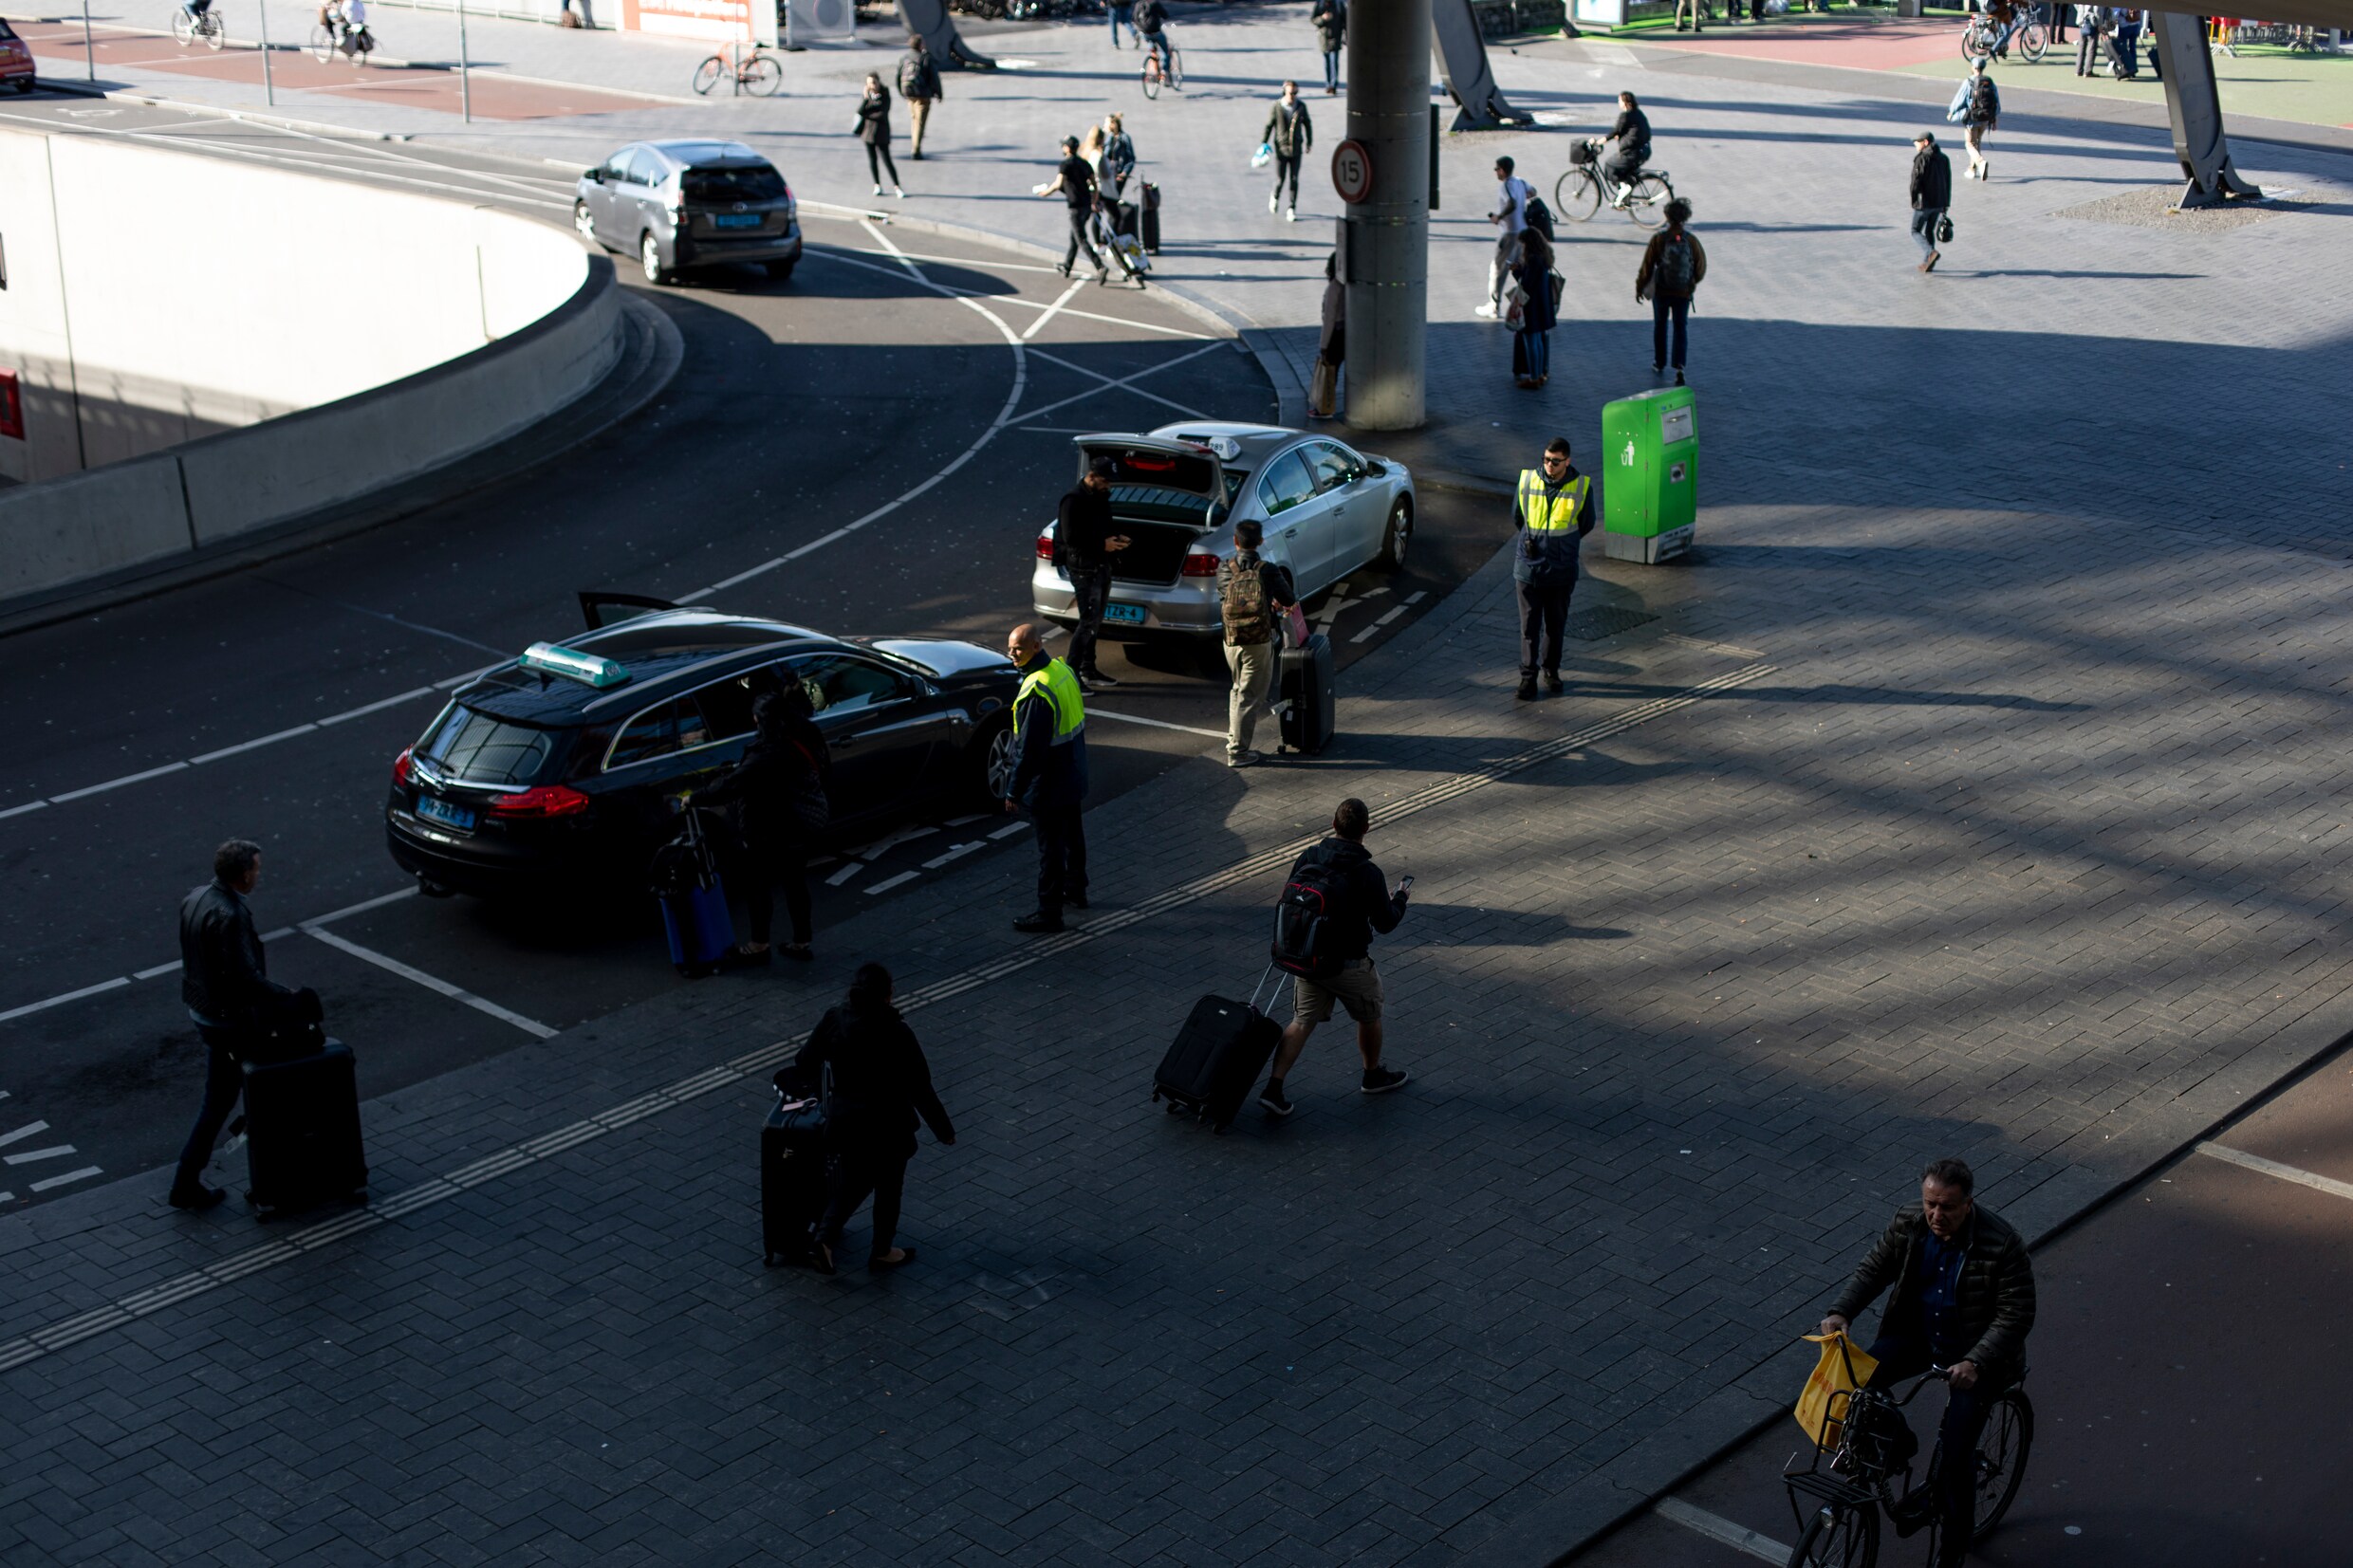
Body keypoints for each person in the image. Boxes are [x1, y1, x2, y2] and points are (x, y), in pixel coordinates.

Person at [1819, 1159, 2035, 1568]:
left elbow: (2016, 1314)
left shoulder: (2002, 1243)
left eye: (1948, 1207)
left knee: (1957, 1458)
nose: (1937, 1215)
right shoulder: (1909, 1222)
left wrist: (1975, 1361)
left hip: (1977, 1357)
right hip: (1919, 1337)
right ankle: (1899, 1448)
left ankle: (1952, 1551)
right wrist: (1842, 1311)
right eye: (1930, 1203)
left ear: (1968, 1204)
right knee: (1859, 1388)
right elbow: (1875, 1268)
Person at [791, 964, 954, 1275]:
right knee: (889, 1186)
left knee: (855, 1179)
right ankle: (881, 1250)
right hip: (888, 1126)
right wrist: (943, 1129)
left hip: (845, 1123)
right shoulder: (897, 1032)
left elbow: (804, 1061)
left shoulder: (835, 1019)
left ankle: (824, 1240)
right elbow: (919, 1086)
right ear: (888, 995)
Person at [1258, 798, 1410, 1116]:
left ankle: (1274, 1087)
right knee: (1370, 1015)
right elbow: (1385, 923)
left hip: (1309, 959)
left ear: (1333, 825)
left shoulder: (1310, 855)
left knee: (1301, 1021)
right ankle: (1372, 1075)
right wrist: (1401, 899)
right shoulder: (1367, 872)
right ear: (1366, 830)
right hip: (1349, 964)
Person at [171, 839, 300, 1210]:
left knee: (224, 1098)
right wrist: (286, 995)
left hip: (202, 1012)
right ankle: (271, 1178)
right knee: (263, 1091)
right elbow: (245, 976)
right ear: (244, 875)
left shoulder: (195, 897)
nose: (260, 874)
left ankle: (189, 1181)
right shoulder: (232, 914)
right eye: (257, 868)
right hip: (229, 1021)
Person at [689, 688, 827, 966]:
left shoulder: (771, 751)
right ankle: (802, 941)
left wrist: (694, 798)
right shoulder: (803, 734)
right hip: (800, 824)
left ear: (760, 720)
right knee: (795, 884)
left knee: (757, 886)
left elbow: (735, 783)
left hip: (771, 828)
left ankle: (758, 945)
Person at [1003, 623, 1089, 933]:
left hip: (1049, 783)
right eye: (1011, 647)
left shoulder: (1037, 690)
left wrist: (1013, 790)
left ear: (1037, 646)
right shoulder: (1062, 671)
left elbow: (1029, 751)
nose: (1012, 654)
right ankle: (1076, 890)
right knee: (1073, 838)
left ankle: (1049, 912)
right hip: (1072, 771)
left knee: (1049, 850)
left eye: (1018, 649)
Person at [1510, 436, 1594, 701]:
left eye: (1555, 461)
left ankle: (1551, 670)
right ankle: (1527, 678)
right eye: (1545, 459)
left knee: (1555, 625)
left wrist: (1561, 544)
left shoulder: (1581, 486)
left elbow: (1586, 523)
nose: (1549, 465)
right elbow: (1517, 516)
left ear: (1567, 461)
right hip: (1528, 568)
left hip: (1560, 569)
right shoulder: (1527, 480)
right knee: (1529, 627)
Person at [1215, 520, 1297, 768]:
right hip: (1257, 642)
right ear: (1261, 541)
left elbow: (1224, 596)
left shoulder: (1224, 568)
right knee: (1250, 695)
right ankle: (1238, 752)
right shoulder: (1269, 570)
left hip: (1230, 640)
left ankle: (1234, 739)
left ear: (1235, 541)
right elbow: (1288, 598)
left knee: (1238, 690)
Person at [1056, 456, 1129, 688]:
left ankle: (1089, 669)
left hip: (1100, 565)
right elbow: (1071, 538)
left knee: (1095, 622)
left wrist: (1116, 538)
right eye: (1106, 480)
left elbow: (1103, 525)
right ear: (1092, 476)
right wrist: (1102, 544)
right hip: (1084, 568)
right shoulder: (1073, 500)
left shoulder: (1100, 497)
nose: (1109, 486)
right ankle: (1072, 673)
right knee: (1087, 622)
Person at [1635, 197, 1706, 385]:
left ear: (1666, 217)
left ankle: (1659, 362)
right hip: (1682, 293)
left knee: (1660, 326)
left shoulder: (1658, 239)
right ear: (1686, 218)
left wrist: (1639, 287)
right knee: (1680, 327)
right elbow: (1701, 267)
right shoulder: (1691, 241)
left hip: (1662, 292)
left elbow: (1647, 267)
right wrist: (1691, 283)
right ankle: (1679, 366)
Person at [1039, 136, 1108, 284]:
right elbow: (1094, 184)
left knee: (1081, 239)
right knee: (1074, 237)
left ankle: (1100, 266)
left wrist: (1046, 192)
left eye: (1064, 146)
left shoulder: (1065, 165)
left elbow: (1058, 184)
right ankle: (1067, 266)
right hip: (1086, 206)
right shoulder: (1084, 163)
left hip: (1075, 206)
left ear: (1067, 148)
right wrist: (1094, 200)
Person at [1476, 155, 1534, 319]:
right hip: (1524, 233)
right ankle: (1528, 302)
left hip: (1509, 234)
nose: (1495, 172)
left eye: (1496, 169)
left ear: (1502, 170)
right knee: (1519, 269)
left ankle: (1494, 306)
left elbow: (1512, 202)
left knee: (1497, 270)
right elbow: (1533, 192)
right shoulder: (1520, 182)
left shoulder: (1506, 186)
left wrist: (1498, 217)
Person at [1510, 226, 1556, 390]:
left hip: (1531, 308)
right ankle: (1540, 374)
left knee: (1531, 342)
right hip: (1542, 306)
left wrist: (1516, 272)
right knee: (1538, 341)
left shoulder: (1533, 259)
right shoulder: (1544, 257)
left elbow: (1527, 285)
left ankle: (1534, 377)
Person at [1263, 81, 1314, 223]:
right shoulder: (1277, 106)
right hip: (1281, 148)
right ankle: (1275, 196)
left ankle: (1291, 207)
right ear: (1285, 91)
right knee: (1280, 179)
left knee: (1294, 179)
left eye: (1296, 93)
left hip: (1296, 148)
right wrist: (1263, 143)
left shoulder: (1301, 107)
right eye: (1291, 93)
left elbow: (1307, 124)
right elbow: (1269, 125)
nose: (1293, 96)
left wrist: (1309, 142)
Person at [1909, 130, 1952, 273]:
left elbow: (1915, 181)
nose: (1915, 144)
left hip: (1924, 203)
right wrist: (1946, 203)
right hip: (1939, 202)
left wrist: (1914, 199)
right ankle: (1928, 262)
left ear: (1925, 142)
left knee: (1915, 231)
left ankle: (1930, 252)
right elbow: (1948, 182)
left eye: (1917, 141)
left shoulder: (1921, 158)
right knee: (1929, 231)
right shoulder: (1944, 158)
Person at [856, 73, 904, 199]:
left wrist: (868, 114)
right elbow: (860, 111)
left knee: (886, 160)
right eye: (869, 83)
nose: (872, 85)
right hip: (868, 133)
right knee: (873, 160)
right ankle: (877, 185)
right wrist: (866, 99)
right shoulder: (868, 96)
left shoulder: (885, 94)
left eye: (874, 82)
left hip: (881, 132)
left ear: (878, 82)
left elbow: (882, 113)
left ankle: (897, 186)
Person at [1950, 57, 1999, 179]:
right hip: (1985, 119)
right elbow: (1996, 102)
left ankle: (1981, 162)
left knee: (1969, 144)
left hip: (1973, 118)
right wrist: (1994, 118)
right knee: (1977, 142)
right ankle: (1972, 169)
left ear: (1973, 67)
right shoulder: (1990, 82)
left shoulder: (1969, 82)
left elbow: (1959, 100)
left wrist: (1952, 112)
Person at [897, 36, 943, 161]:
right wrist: (939, 93)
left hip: (909, 94)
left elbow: (898, 75)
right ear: (920, 45)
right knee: (919, 123)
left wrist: (901, 92)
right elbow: (934, 78)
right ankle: (916, 150)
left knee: (914, 120)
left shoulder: (905, 57)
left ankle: (914, 145)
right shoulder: (926, 58)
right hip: (923, 95)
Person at [1311, 251, 1345, 420]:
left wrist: (1324, 345)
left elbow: (1329, 317)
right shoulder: (1347, 285)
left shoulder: (1334, 287)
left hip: (1335, 336)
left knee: (1329, 372)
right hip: (1346, 333)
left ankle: (1324, 408)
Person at [1603, 90, 1651, 207]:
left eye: (1619, 100)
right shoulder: (1638, 113)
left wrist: (1599, 141)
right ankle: (1624, 194)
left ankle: (1624, 189)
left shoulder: (1625, 115)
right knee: (1625, 170)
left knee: (1609, 164)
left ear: (1625, 102)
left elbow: (1616, 131)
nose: (1618, 103)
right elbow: (1630, 131)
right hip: (1644, 151)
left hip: (1632, 153)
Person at [1311, 0, 1345, 94]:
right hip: (1324, 39)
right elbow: (1313, 19)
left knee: (1334, 62)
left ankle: (1333, 85)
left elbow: (1345, 20)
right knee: (1327, 63)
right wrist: (1322, 18)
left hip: (1335, 37)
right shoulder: (1319, 4)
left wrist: (1346, 36)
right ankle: (1328, 84)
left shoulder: (1338, 4)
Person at [1100, 112, 1137, 198]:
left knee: (1114, 197)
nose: (1104, 125)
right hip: (1109, 172)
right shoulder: (1109, 137)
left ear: (1113, 124)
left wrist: (1124, 173)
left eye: (1106, 123)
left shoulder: (1124, 138)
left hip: (1119, 174)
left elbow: (1130, 158)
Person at [1135, 0, 1170, 71]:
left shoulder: (1139, 4)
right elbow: (1165, 15)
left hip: (1145, 33)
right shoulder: (1155, 3)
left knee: (1152, 47)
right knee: (1165, 51)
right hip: (1156, 32)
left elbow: (1135, 18)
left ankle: (1153, 66)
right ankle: (1164, 71)